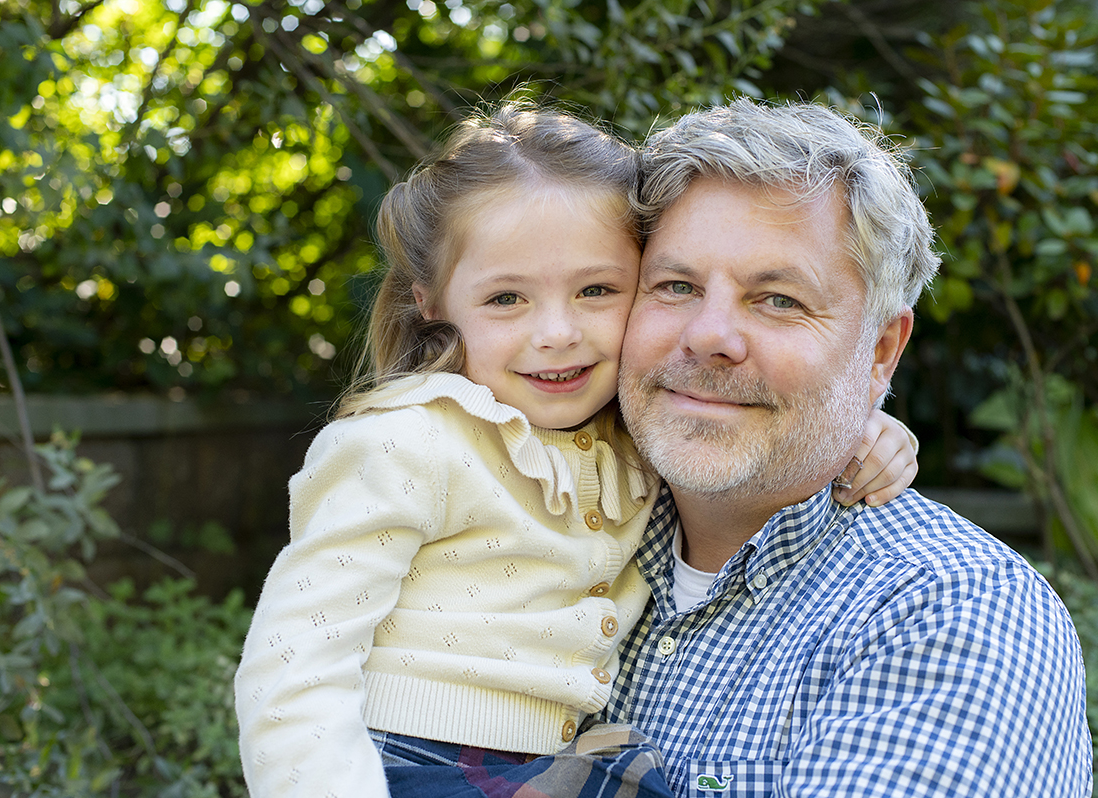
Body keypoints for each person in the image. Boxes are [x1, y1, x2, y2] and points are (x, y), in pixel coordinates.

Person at [233, 103, 920, 798]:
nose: (557, 333)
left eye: (596, 290)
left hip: (547, 764)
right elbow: (295, 667)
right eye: (507, 299)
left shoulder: (623, 434)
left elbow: (743, 423)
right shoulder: (404, 441)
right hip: (406, 765)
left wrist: (868, 426)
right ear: (432, 304)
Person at [604, 98, 1094, 797]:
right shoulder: (527, 520)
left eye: (777, 299)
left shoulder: (949, 612)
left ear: (882, 352)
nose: (709, 334)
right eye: (676, 285)